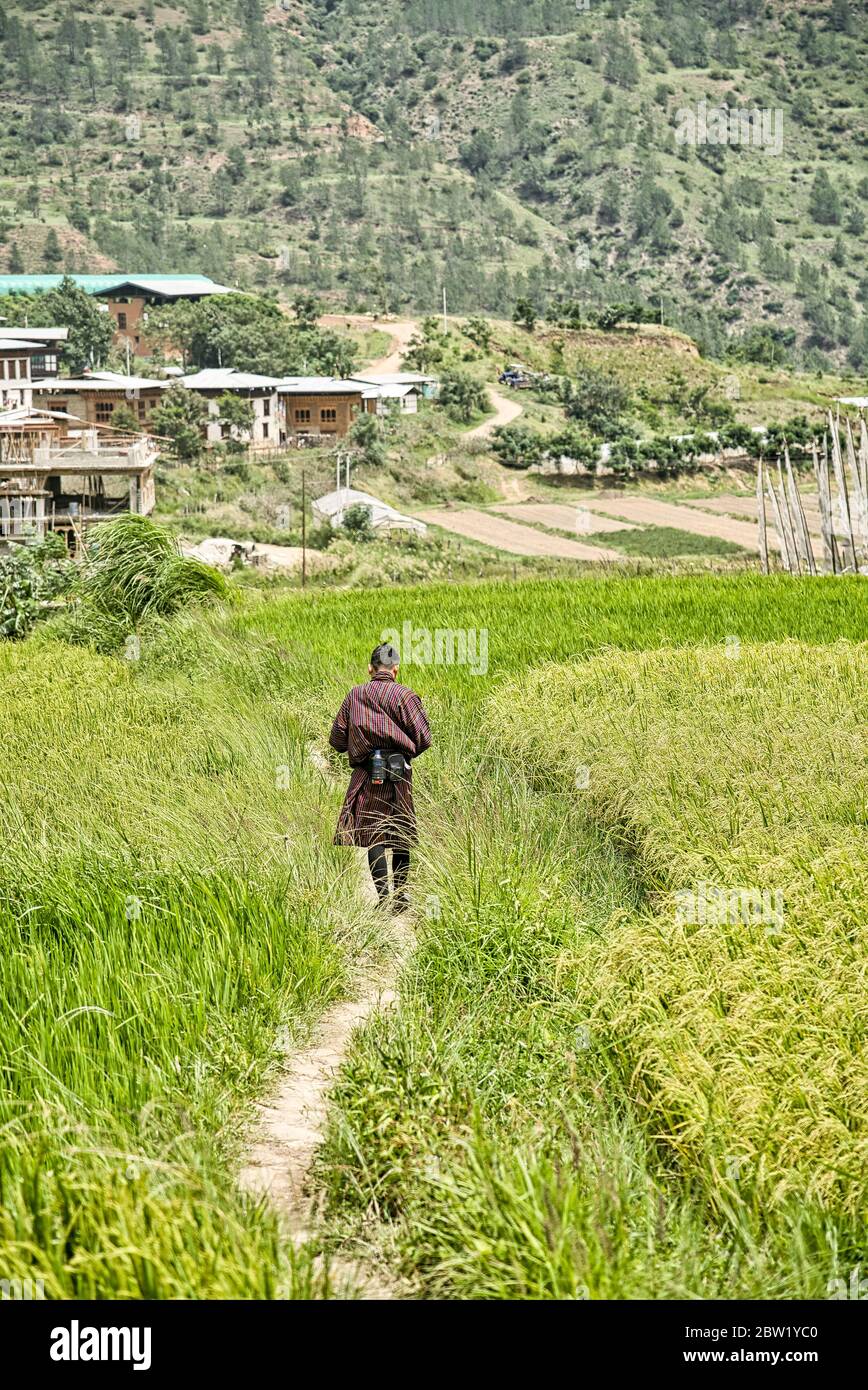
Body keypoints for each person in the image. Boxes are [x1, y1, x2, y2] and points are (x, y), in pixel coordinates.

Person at [329, 642, 431, 912]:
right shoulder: (406, 697)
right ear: (396, 670)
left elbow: (337, 740)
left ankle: (383, 898)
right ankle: (400, 898)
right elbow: (424, 738)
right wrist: (401, 754)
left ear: (370, 669)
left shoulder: (355, 695)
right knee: (400, 833)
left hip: (366, 772)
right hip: (400, 773)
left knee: (374, 834)